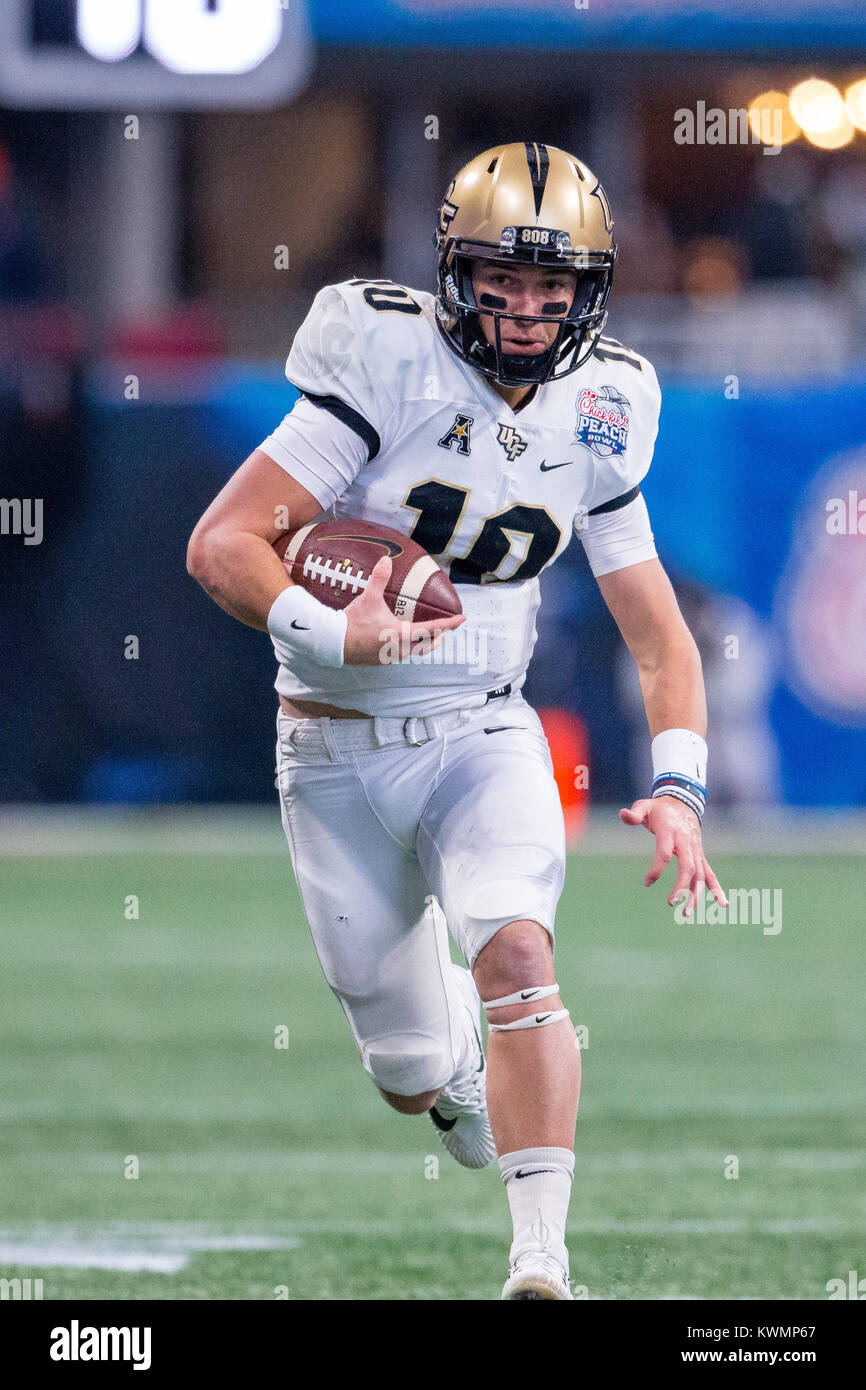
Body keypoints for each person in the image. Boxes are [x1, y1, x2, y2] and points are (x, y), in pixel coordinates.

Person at [187, 142, 727, 1300]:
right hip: (328, 744)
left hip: (483, 732)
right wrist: (340, 633)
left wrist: (678, 786)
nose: (526, 311)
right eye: (501, 280)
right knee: (406, 1069)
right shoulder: (385, 359)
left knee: (520, 951)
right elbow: (221, 545)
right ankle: (451, 1077)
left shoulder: (607, 402)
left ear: (590, 288)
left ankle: (540, 1264)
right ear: (450, 271)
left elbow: (658, 632)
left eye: (552, 287)